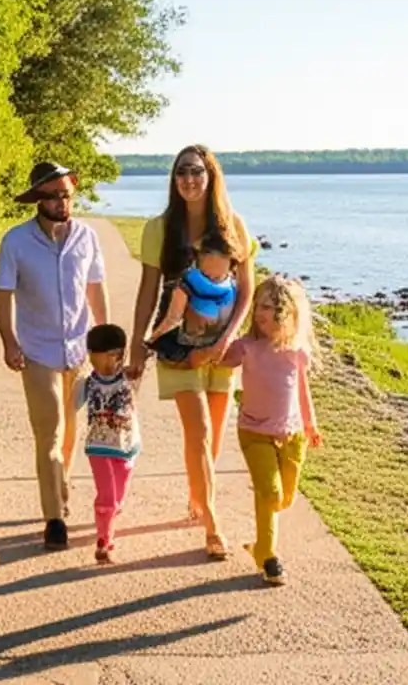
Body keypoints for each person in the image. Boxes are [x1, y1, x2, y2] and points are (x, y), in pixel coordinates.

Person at [128, 144, 258, 560]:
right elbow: (148, 290)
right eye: (181, 171)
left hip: (222, 347)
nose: (188, 178)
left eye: (196, 171)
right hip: (177, 348)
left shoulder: (234, 226)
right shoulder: (159, 229)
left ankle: (198, 494)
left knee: (214, 439)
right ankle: (213, 524)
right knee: (198, 431)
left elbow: (247, 290)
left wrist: (227, 339)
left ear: (211, 175)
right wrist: (137, 346)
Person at [0, 162, 109, 551]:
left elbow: (95, 288)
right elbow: (1, 294)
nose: (64, 201)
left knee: (71, 431)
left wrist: (104, 338)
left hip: (77, 348)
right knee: (50, 431)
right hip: (38, 349)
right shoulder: (16, 242)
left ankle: (61, 486)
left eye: (68, 194)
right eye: (56, 195)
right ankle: (53, 518)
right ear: (38, 200)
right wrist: (9, 341)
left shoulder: (87, 237)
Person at [220, 275, 322, 586]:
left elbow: (302, 391)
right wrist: (222, 334)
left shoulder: (295, 351)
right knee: (270, 492)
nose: (266, 314)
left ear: (291, 315)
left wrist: (310, 424)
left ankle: (260, 547)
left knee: (284, 498)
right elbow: (222, 361)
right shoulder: (246, 347)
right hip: (254, 431)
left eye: (276, 308)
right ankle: (269, 557)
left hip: (293, 435)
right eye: (261, 306)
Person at [72, 324, 141, 564]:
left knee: (118, 495)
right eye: (93, 355)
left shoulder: (130, 377)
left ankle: (109, 520)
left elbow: (146, 354)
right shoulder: (86, 383)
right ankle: (104, 540)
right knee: (107, 496)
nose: (93, 360)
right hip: (99, 447)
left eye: (114, 355)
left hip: (126, 445)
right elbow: (70, 407)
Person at [144, 233, 237, 363]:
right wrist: (152, 340)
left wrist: (151, 340)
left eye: (217, 277)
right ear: (196, 264)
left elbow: (172, 318)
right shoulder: (188, 283)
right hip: (194, 350)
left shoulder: (235, 284)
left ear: (231, 264)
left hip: (220, 351)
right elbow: (172, 318)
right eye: (206, 276)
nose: (211, 281)